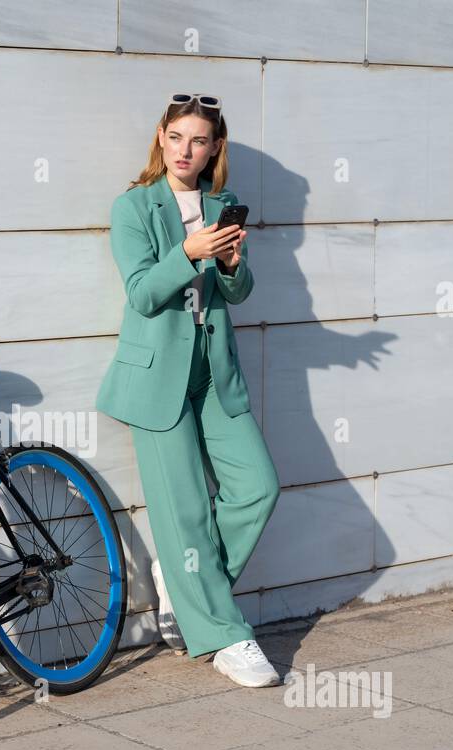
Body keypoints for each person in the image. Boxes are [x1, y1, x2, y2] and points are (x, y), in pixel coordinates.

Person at [94, 92, 282, 688]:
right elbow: (144, 292)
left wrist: (229, 262)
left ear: (213, 148)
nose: (185, 150)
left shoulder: (221, 205)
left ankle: (185, 586)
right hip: (158, 379)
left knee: (258, 487)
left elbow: (238, 291)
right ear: (161, 137)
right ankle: (226, 636)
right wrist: (188, 252)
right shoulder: (133, 207)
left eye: (199, 140)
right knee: (188, 513)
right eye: (177, 137)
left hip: (214, 372)